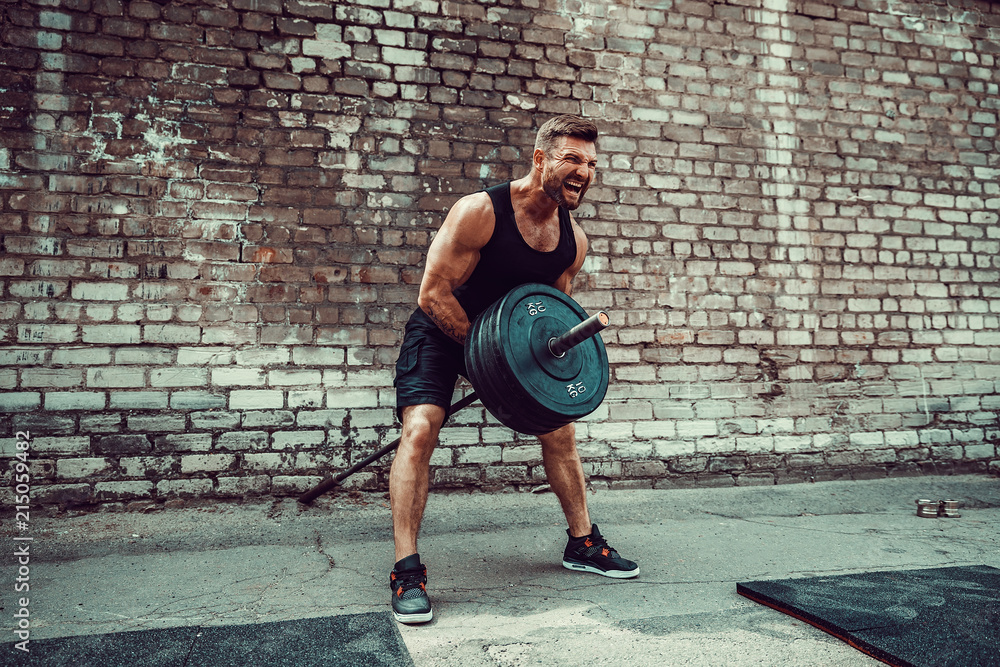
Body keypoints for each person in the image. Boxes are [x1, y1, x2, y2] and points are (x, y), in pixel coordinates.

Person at [388, 115, 638, 624]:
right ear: (541, 158)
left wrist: (530, 372)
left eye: (591, 164)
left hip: (508, 350)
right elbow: (432, 294)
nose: (584, 172)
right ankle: (406, 569)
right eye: (573, 159)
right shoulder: (480, 212)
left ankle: (582, 542)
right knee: (420, 428)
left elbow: (551, 311)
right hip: (442, 329)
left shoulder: (573, 242)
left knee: (560, 430)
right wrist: (490, 359)